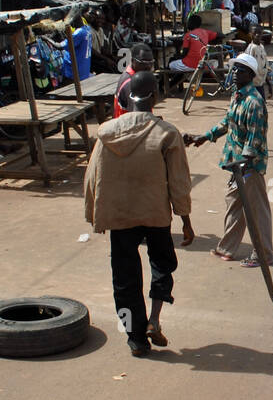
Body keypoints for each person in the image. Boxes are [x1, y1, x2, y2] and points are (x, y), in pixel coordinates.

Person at [83, 71, 194, 357]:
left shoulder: (106, 133)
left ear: (126, 97)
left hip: (120, 217)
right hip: (155, 214)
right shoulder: (167, 134)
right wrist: (186, 221)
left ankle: (136, 338)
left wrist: (96, 215)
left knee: (124, 279)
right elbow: (179, 182)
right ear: (154, 98)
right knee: (163, 264)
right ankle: (154, 320)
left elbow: (92, 176)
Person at [187, 54, 272, 267]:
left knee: (256, 210)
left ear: (251, 75)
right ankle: (227, 247)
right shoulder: (237, 95)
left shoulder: (254, 103)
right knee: (233, 204)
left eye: (240, 71)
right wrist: (205, 136)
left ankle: (263, 254)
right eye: (234, 70)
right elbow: (228, 121)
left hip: (248, 166)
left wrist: (243, 166)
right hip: (236, 164)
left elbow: (255, 138)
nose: (235, 74)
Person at [113, 42, 155, 117]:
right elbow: (139, 117)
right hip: (128, 126)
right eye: (143, 62)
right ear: (132, 61)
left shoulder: (130, 74)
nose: (148, 66)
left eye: (151, 62)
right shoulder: (131, 84)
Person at [242, 27, 271, 99]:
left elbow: (265, 66)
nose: (257, 35)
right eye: (255, 33)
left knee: (262, 104)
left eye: (259, 33)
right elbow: (248, 66)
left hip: (260, 83)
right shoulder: (251, 48)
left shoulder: (261, 47)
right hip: (253, 84)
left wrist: (269, 84)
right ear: (250, 34)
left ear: (262, 34)